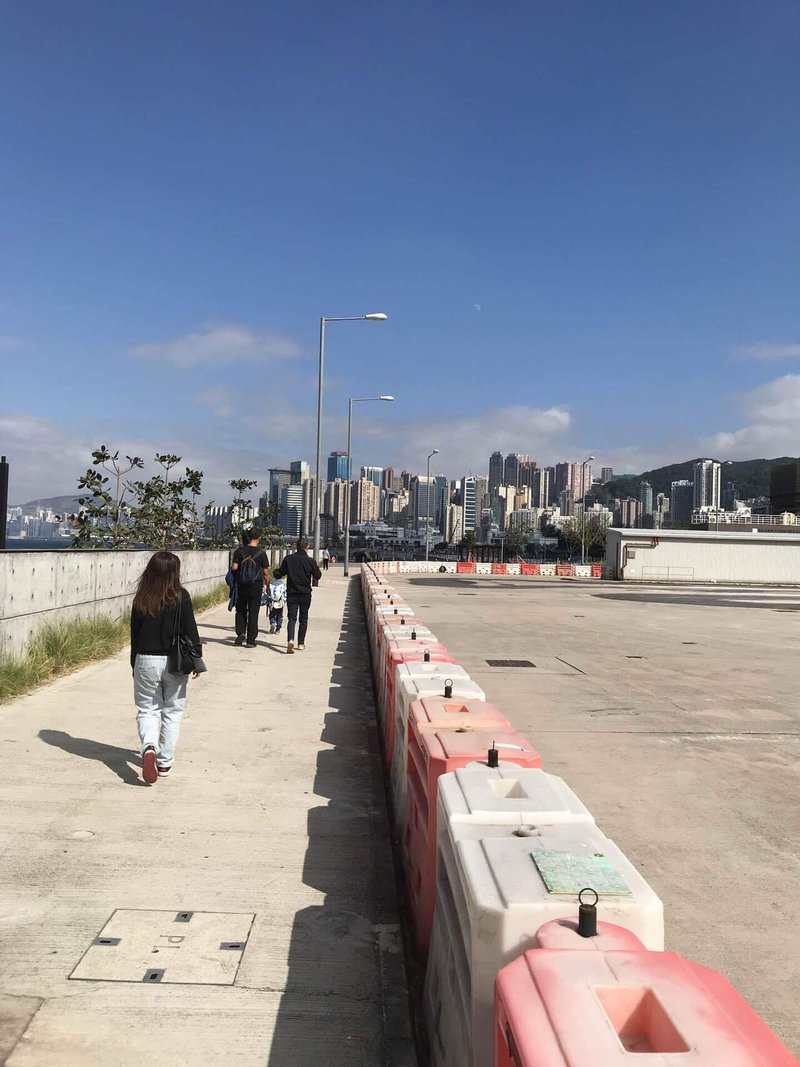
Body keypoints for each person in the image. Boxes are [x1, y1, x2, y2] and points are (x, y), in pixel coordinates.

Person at [130, 551, 202, 785]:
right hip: (175, 662)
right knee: (172, 711)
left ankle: (149, 746)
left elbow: (134, 635)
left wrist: (135, 663)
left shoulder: (142, 597)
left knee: (147, 710)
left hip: (146, 659)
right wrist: (196, 659)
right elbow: (191, 630)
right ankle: (164, 761)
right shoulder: (181, 596)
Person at [273, 538, 321, 654]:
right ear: (307, 547)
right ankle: (301, 643)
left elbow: (281, 573)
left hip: (292, 593)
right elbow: (317, 575)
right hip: (305, 594)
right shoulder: (310, 561)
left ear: (296, 546)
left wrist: (275, 573)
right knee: (303, 618)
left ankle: (290, 639)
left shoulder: (289, 559)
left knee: (292, 618)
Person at [231, 528, 271, 647]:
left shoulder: (239, 551)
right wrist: (268, 585)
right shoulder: (261, 553)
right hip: (256, 585)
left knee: (241, 610)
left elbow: (234, 567)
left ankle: (240, 633)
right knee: (254, 612)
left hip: (242, 585)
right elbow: (265, 573)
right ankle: (251, 641)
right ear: (259, 538)